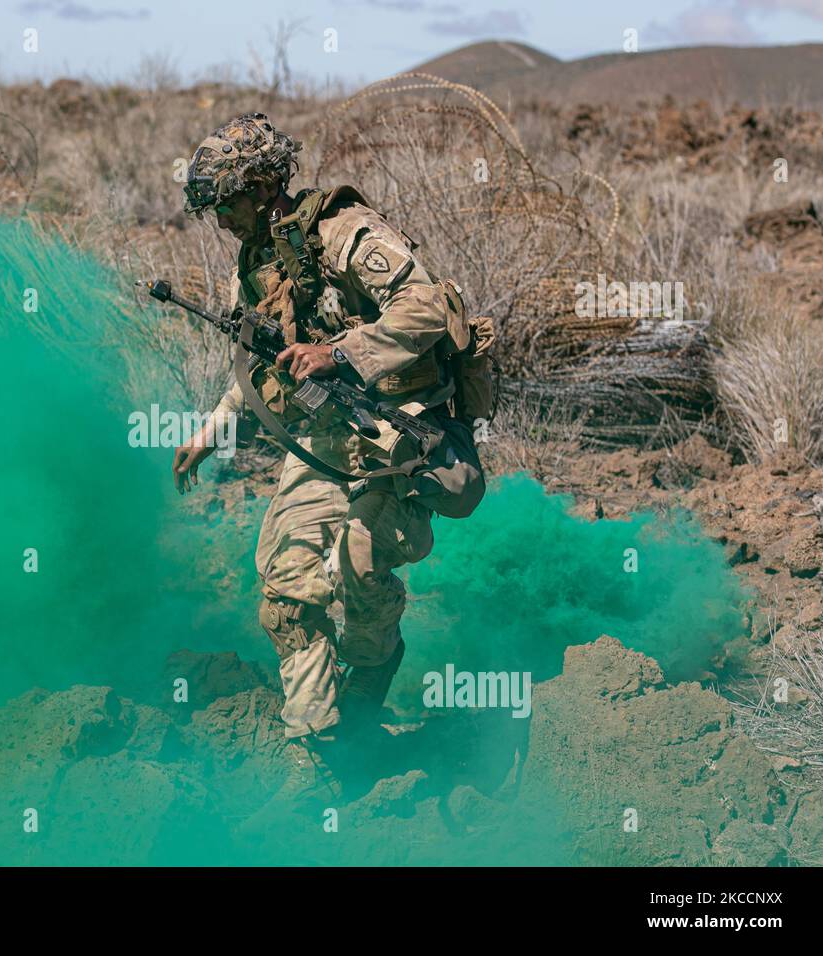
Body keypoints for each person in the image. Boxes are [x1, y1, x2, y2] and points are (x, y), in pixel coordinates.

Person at [170, 112, 486, 802]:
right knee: (285, 585)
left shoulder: (343, 233)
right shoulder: (254, 263)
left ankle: (367, 695)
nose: (221, 215)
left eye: (228, 198)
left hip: (397, 431)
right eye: (213, 203)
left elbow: (430, 306)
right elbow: (264, 361)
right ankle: (315, 742)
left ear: (260, 184)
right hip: (321, 437)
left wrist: (342, 353)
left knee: (360, 577)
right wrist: (213, 428)